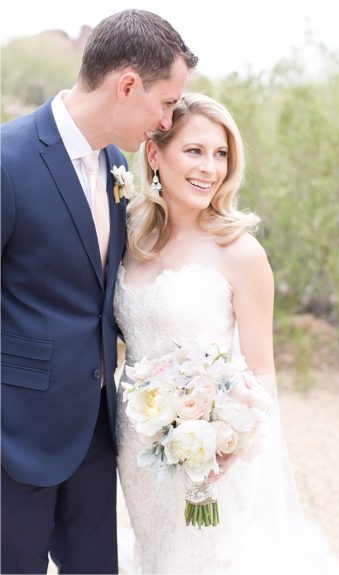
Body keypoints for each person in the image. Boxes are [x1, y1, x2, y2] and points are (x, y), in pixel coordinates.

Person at [115, 92, 339, 574]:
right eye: (194, 151)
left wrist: (227, 441)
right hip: (136, 452)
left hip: (209, 459)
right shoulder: (130, 240)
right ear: (155, 154)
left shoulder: (240, 253)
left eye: (221, 154)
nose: (211, 168)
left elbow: (262, 371)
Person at [0, 9, 196, 574]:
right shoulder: (8, 160)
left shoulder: (115, 163)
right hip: (15, 437)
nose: (166, 121)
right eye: (166, 102)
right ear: (127, 85)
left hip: (94, 431)